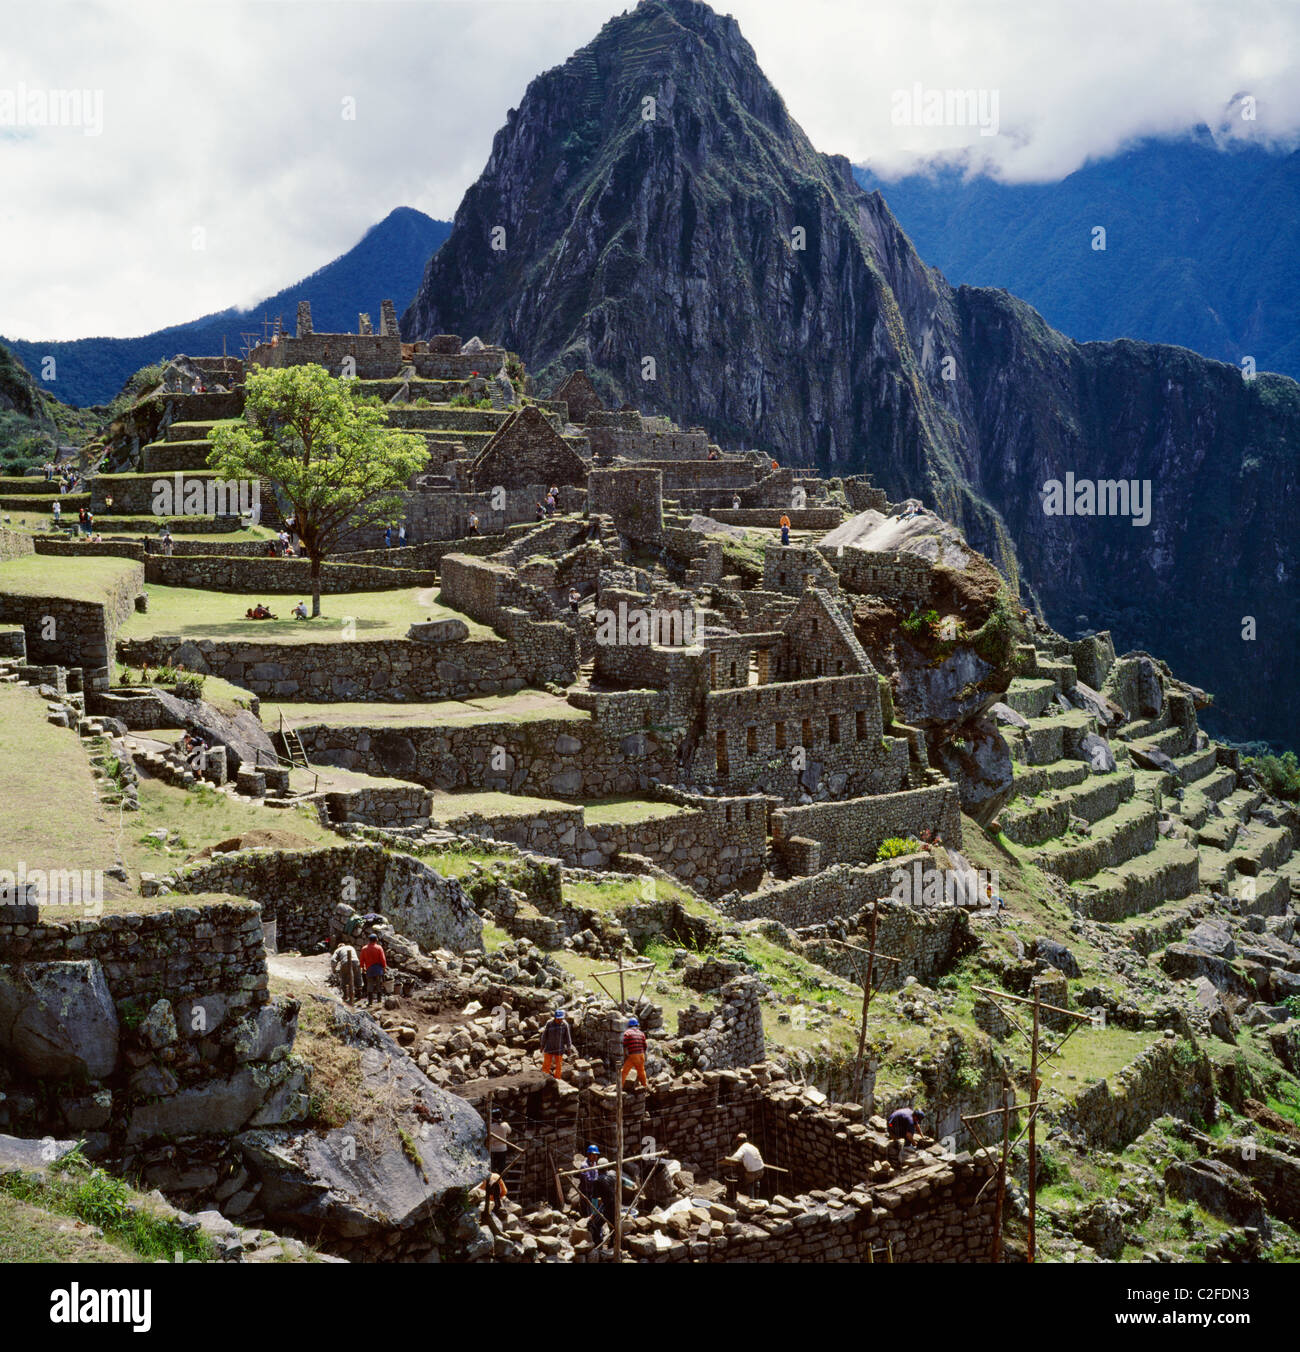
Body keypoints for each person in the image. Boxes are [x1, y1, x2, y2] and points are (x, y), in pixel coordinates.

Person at [723, 1133, 765, 1200]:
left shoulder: (742, 1148)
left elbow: (735, 1158)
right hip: (761, 1169)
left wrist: (729, 1160)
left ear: (739, 1142)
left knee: (750, 1183)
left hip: (752, 1172)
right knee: (756, 1181)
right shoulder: (752, 1146)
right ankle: (757, 1198)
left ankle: (752, 1200)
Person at [539, 1008, 574, 1079]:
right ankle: (544, 1079)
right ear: (555, 1017)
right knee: (546, 1065)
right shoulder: (549, 1023)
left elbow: (568, 1037)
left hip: (559, 1049)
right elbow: (544, 1035)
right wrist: (542, 1046)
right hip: (549, 1048)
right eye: (558, 1019)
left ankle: (557, 1079)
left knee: (559, 1066)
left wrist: (569, 1048)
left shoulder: (565, 1025)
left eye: (561, 1019)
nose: (560, 1020)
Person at [359, 932, 387, 1005]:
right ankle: (379, 1001)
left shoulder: (364, 948)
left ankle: (370, 1002)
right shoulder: (379, 948)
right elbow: (382, 959)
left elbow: (361, 960)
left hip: (369, 970)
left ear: (369, 940)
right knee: (378, 985)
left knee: (370, 985)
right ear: (376, 940)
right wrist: (384, 967)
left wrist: (362, 967)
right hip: (378, 969)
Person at [621, 1016, 648, 1089]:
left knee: (624, 1072)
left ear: (629, 1025)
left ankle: (620, 1087)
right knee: (641, 1071)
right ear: (637, 1025)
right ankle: (645, 1086)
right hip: (641, 1055)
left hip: (633, 1055)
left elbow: (624, 1045)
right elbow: (645, 1046)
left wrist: (625, 1056)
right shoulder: (641, 1033)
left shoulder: (627, 1033)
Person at [331, 939, 361, 1004]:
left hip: (345, 962)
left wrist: (334, 970)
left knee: (343, 978)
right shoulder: (351, 947)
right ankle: (359, 994)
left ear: (339, 946)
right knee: (357, 977)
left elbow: (333, 959)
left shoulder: (338, 950)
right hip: (356, 961)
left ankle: (345, 996)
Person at [488, 1109, 512, 1177]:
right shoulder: (505, 1125)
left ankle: (492, 1180)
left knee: (492, 1167)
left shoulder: (490, 1126)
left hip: (492, 1149)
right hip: (502, 1149)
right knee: (502, 1166)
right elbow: (509, 1132)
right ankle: (501, 1180)